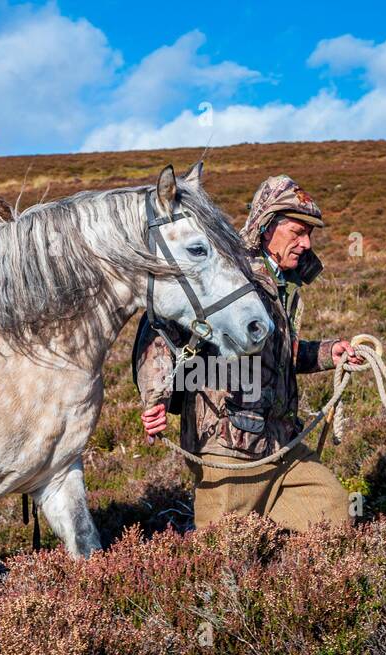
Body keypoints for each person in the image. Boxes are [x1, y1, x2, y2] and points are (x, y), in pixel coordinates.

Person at [134, 175, 363, 531]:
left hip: (283, 445)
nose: (306, 243)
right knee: (223, 557)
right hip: (228, 448)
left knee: (335, 517)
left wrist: (330, 354)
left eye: (310, 234)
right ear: (267, 226)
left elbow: (277, 355)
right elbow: (160, 329)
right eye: (297, 232)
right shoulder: (225, 269)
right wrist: (156, 398)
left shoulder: (280, 282)